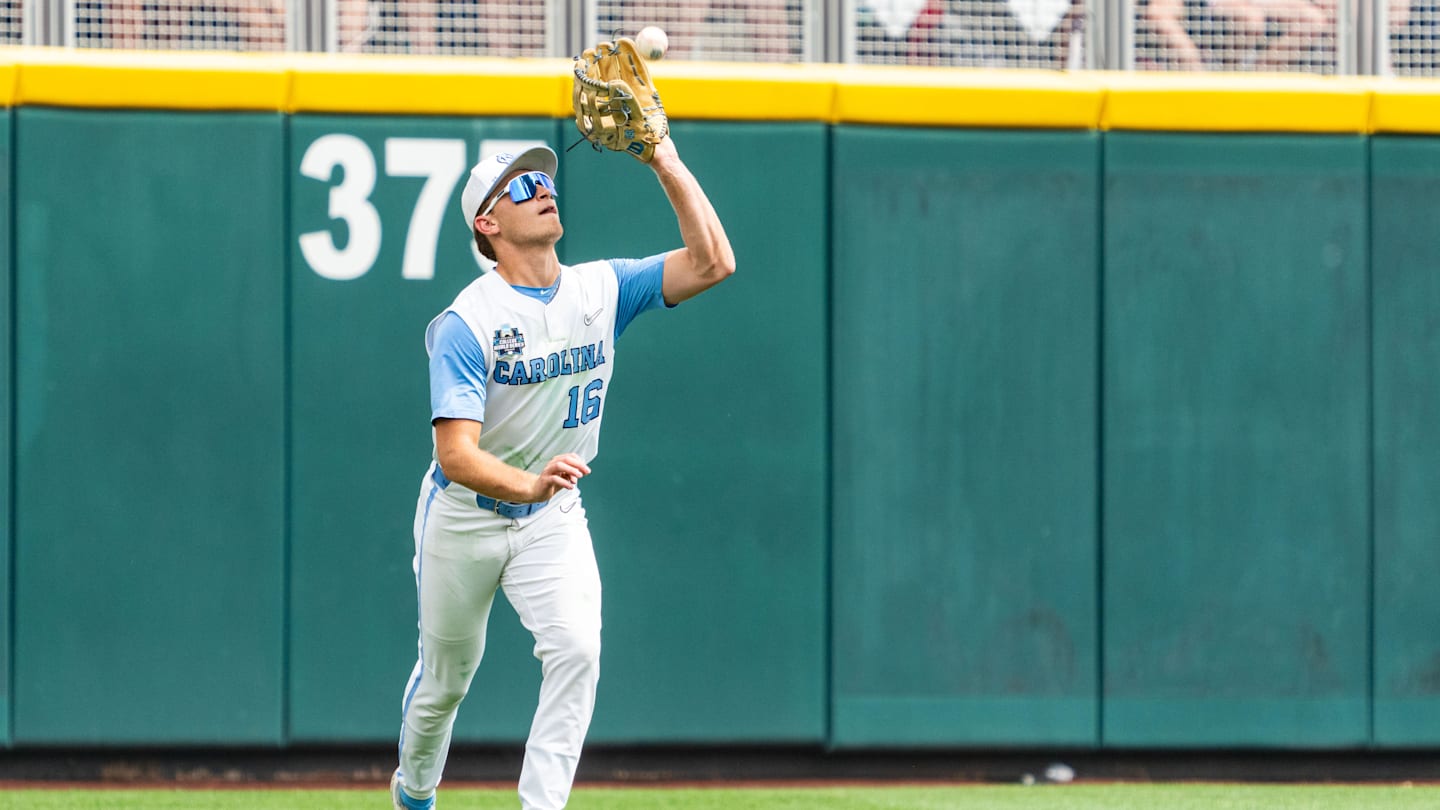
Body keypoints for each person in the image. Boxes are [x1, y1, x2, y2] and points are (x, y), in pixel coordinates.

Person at [389, 133, 735, 810]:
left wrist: (662, 155)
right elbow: (455, 456)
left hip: (550, 517)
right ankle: (414, 793)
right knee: (445, 682)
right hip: (464, 519)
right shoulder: (469, 322)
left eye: (543, 181)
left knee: (577, 649)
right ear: (487, 224)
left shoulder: (600, 288)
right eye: (522, 186)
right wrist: (527, 484)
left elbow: (714, 263)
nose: (543, 190)